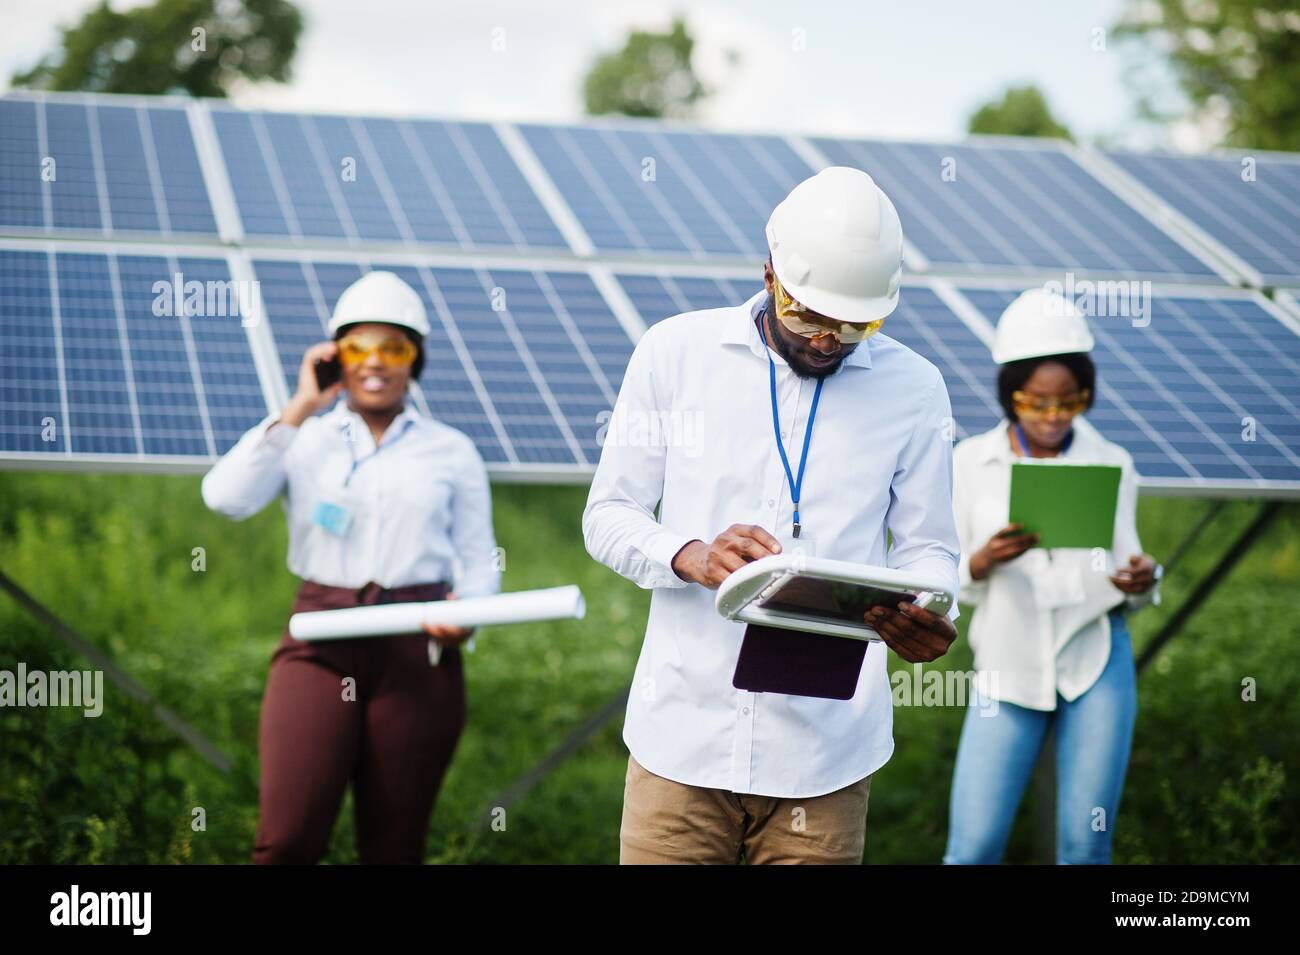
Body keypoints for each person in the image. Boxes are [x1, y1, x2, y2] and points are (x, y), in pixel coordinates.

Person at [583, 167, 961, 865]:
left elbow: (931, 546)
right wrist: (687, 553)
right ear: (769, 275)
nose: (826, 341)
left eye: (855, 325)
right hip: (682, 747)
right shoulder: (674, 355)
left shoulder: (915, 390)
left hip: (826, 758)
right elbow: (607, 514)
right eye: (808, 316)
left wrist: (933, 608)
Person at [201, 271, 500, 864]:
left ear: (415, 359)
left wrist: (468, 615)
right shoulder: (306, 438)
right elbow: (225, 497)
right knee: (287, 840)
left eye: (395, 347)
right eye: (359, 347)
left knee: (392, 848)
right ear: (335, 357)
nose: (376, 362)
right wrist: (301, 405)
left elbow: (478, 559)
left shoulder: (451, 450)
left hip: (418, 649)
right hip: (319, 641)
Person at [943, 288, 1162, 865]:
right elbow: (948, 578)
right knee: (972, 848)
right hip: (1007, 666)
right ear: (1008, 392)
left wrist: (1143, 579)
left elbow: (1129, 564)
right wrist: (983, 561)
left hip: (1095, 660)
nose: (1052, 417)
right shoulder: (970, 463)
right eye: (1036, 402)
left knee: (1086, 847)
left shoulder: (1112, 460)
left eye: (1069, 403)